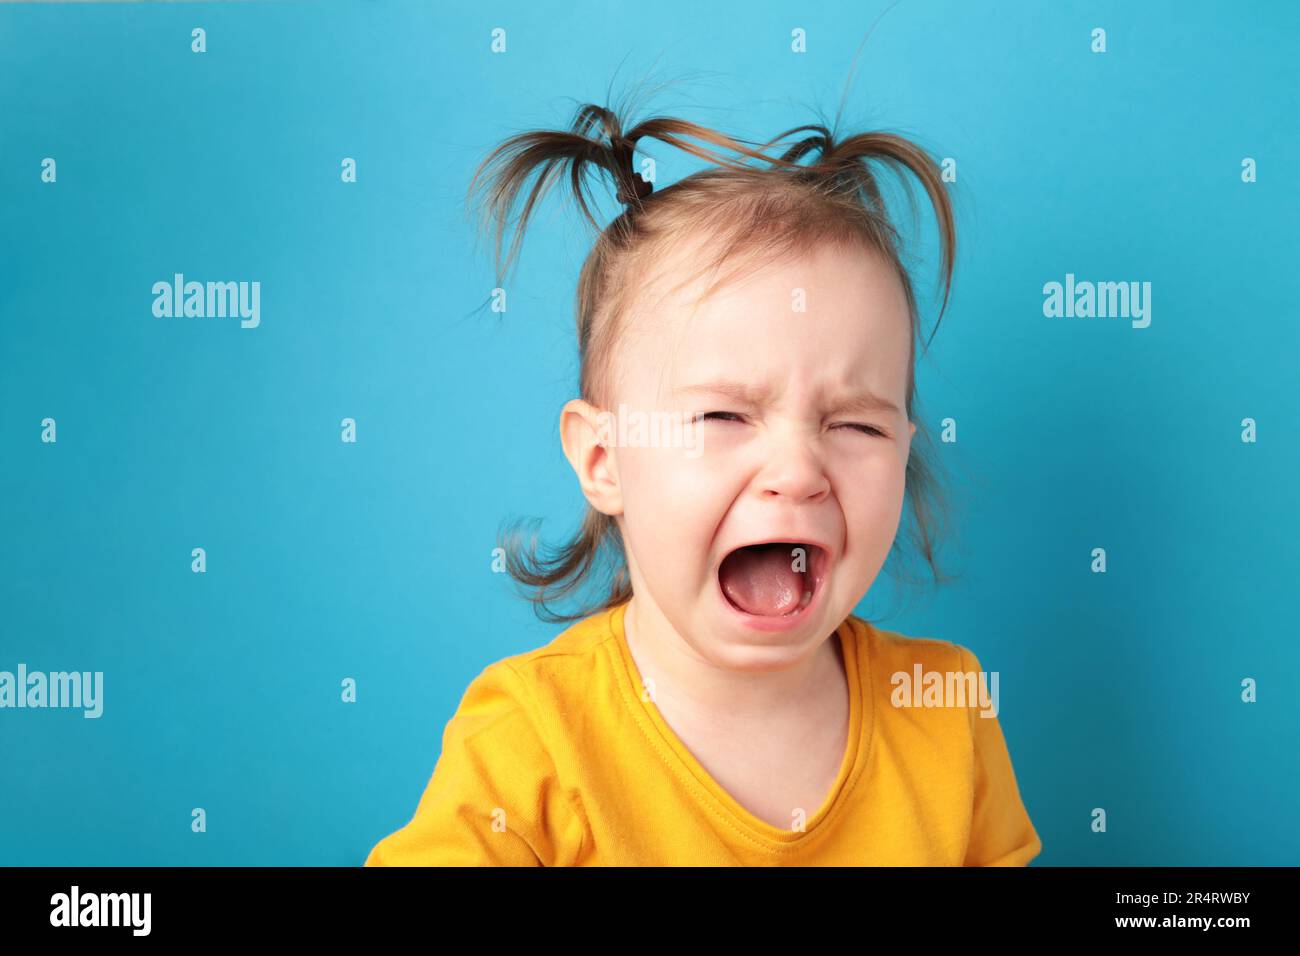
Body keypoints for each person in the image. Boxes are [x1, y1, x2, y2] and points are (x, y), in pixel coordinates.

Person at [365, 87, 1041, 866]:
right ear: (602, 459)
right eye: (724, 417)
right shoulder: (533, 736)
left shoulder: (944, 707)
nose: (798, 473)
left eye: (856, 425)